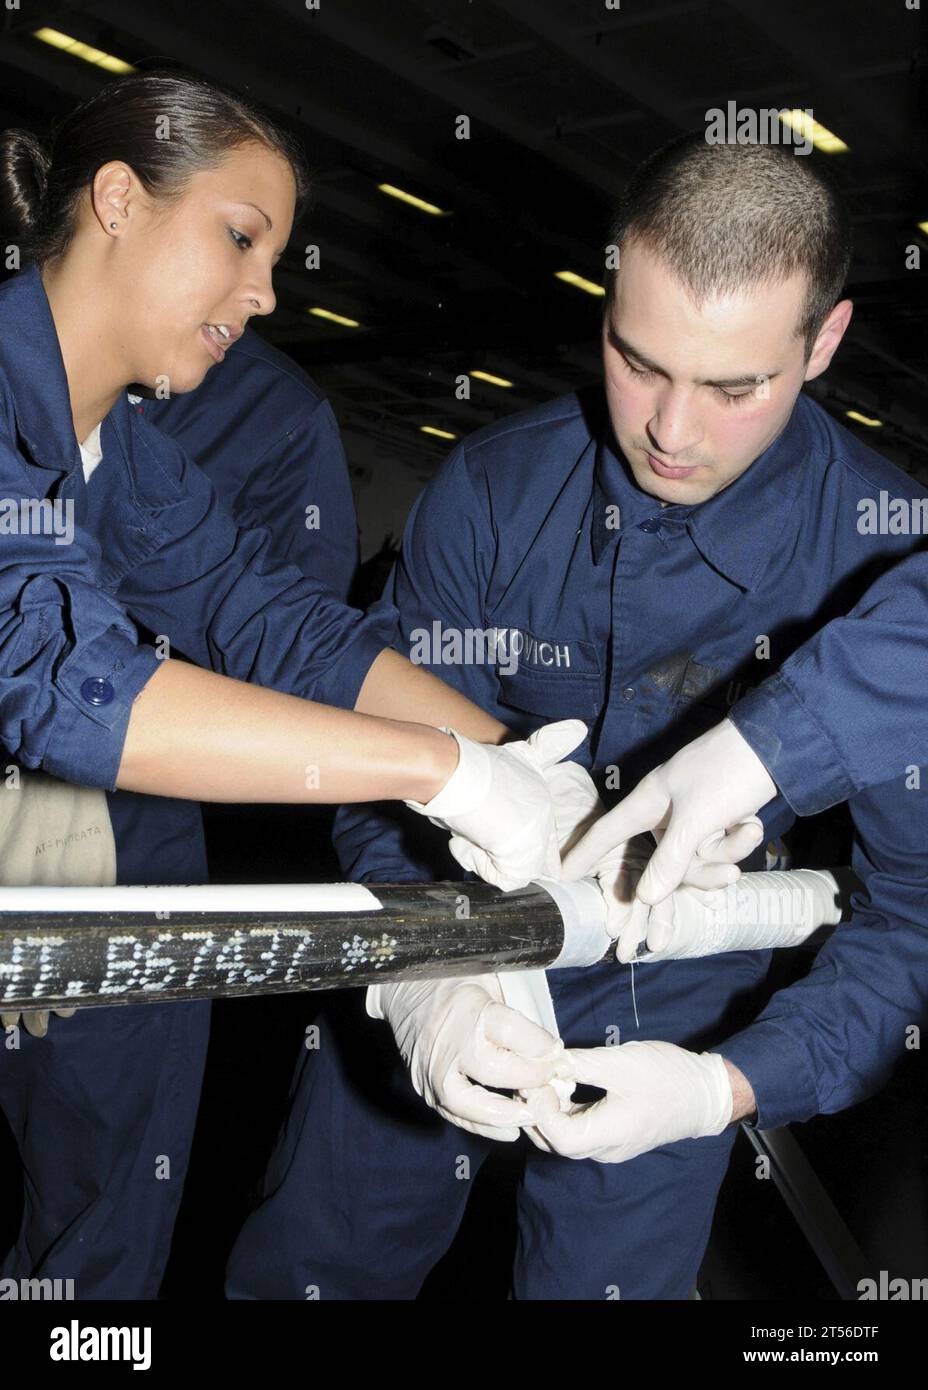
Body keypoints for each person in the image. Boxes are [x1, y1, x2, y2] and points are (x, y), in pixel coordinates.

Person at [225, 131, 928, 1301]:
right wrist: (421, 978)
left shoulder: (894, 566)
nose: (671, 429)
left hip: (688, 999)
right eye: (637, 359)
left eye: (734, 386)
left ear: (826, 343)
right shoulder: (495, 489)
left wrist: (727, 1085)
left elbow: (911, 922)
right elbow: (378, 764)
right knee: (315, 1266)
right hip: (456, 928)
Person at [0, 69, 592, 1299]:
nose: (266, 292)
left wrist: (546, 781)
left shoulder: (124, 453)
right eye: (239, 236)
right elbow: (76, 683)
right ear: (117, 200)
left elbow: (276, 624)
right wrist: (443, 775)